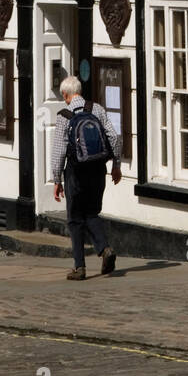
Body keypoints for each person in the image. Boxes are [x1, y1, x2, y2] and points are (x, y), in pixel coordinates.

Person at [52, 76, 122, 280]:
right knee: (92, 212)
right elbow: (114, 137)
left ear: (65, 95)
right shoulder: (97, 109)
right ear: (80, 91)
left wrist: (56, 180)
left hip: (76, 172)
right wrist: (116, 165)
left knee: (75, 219)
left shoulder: (64, 115)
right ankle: (104, 249)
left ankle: (80, 267)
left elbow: (59, 151)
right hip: (98, 169)